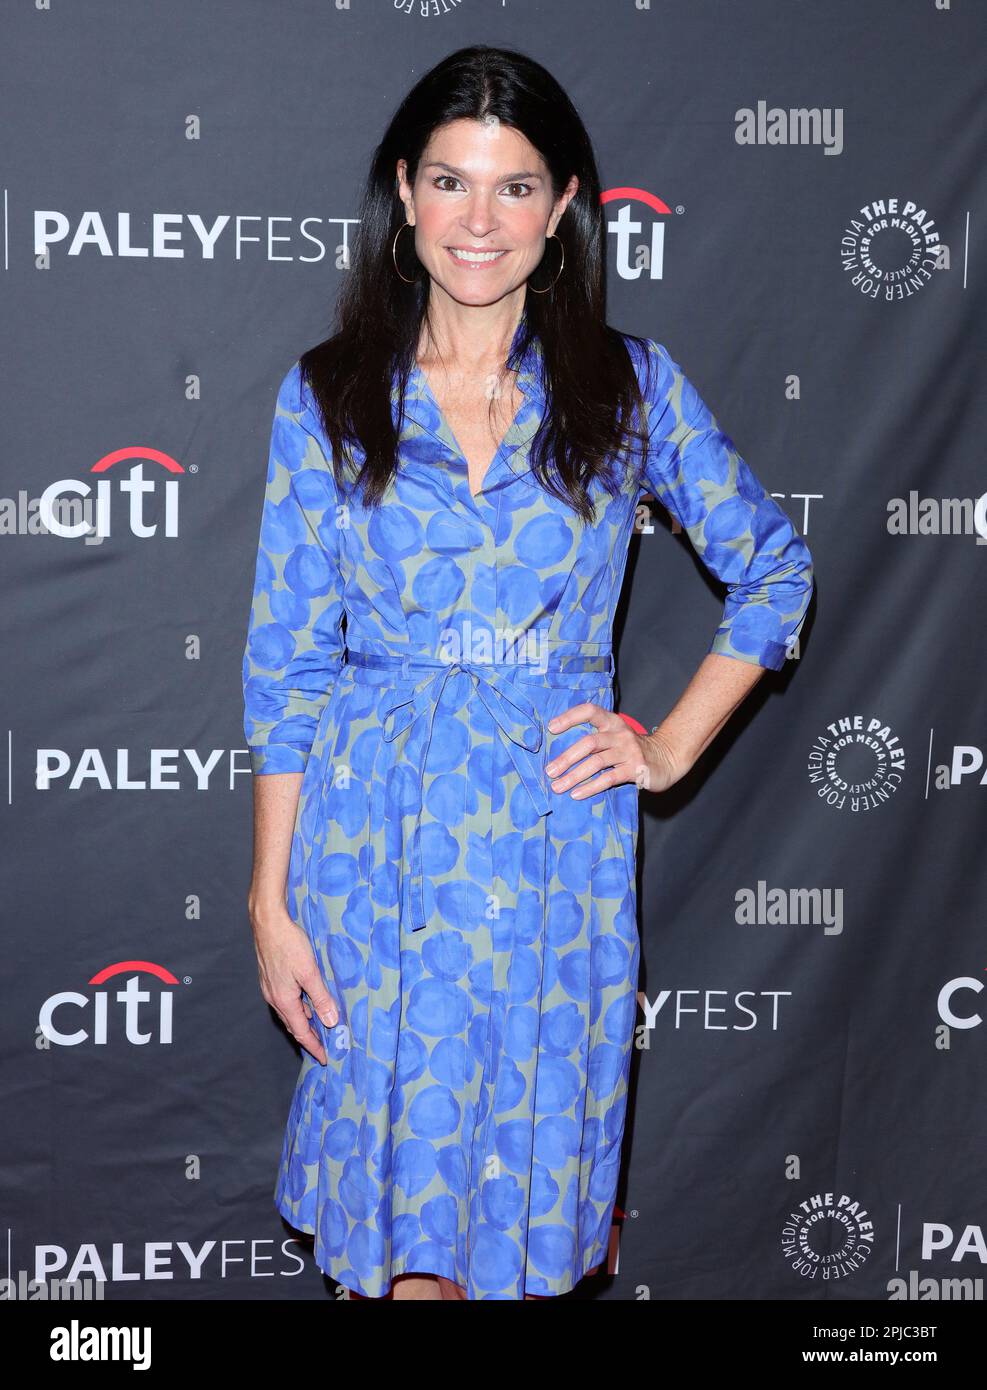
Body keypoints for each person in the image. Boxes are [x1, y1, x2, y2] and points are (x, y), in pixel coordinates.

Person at [242, 44, 813, 1302]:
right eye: (450, 182)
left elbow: (775, 571)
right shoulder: (329, 399)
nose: (478, 221)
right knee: (399, 1253)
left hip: (556, 858)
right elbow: (286, 668)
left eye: (514, 188)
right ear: (403, 191)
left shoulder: (630, 388)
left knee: (523, 1233)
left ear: (563, 210)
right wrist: (273, 903)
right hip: (376, 857)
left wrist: (664, 747)